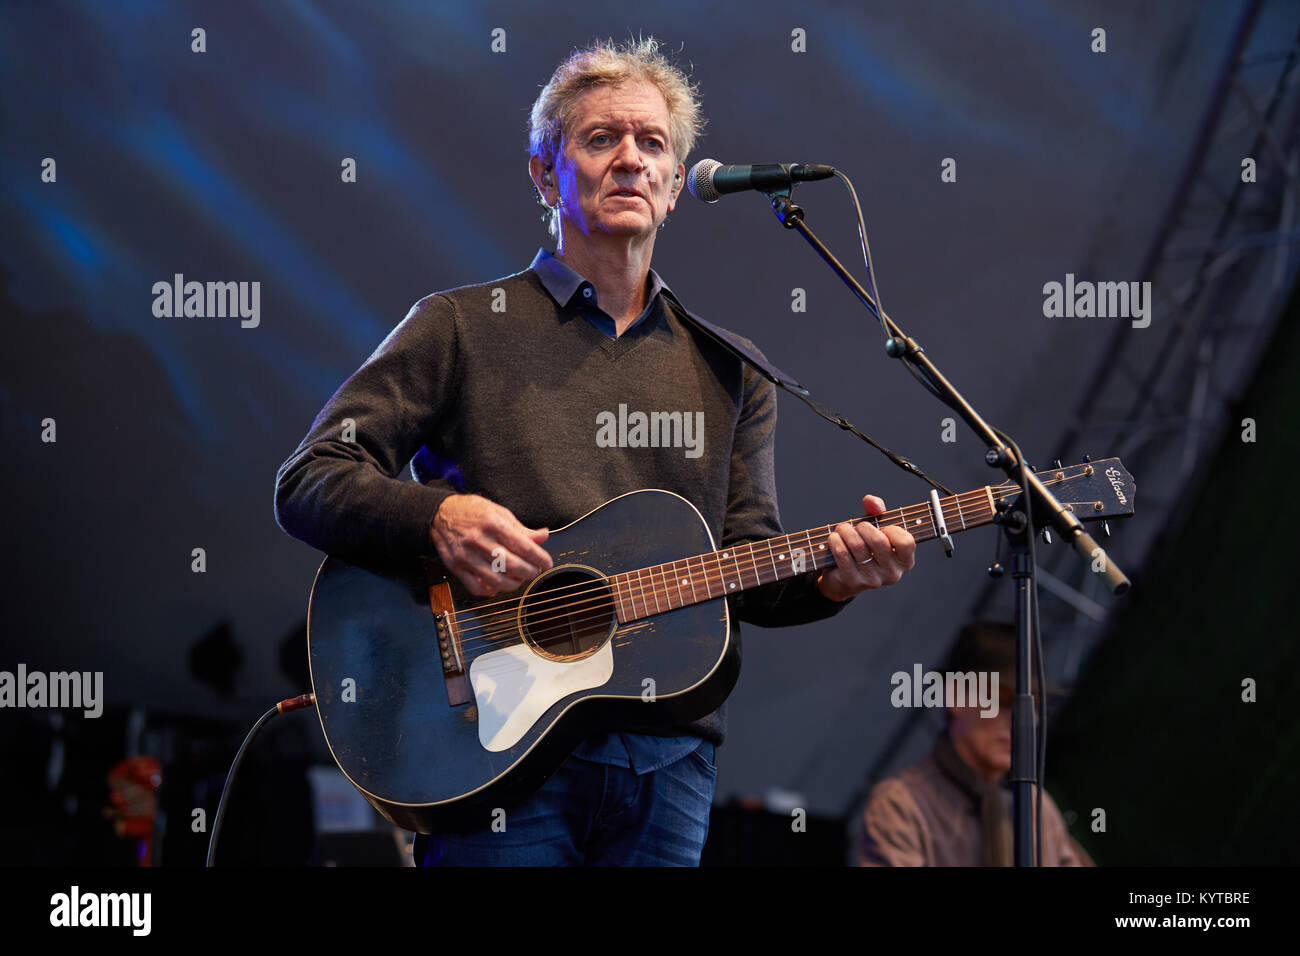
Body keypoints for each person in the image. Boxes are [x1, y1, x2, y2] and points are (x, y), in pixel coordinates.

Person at [275, 37, 917, 866]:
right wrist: (439, 516)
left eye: (652, 144)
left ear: (676, 186)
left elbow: (747, 565)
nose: (630, 161)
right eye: (601, 139)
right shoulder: (459, 325)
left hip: (671, 760)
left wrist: (834, 578)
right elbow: (308, 480)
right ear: (547, 174)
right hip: (489, 745)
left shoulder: (732, 365)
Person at [855, 621, 1093, 866]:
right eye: (1001, 701)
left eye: (1032, 707)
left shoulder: (1038, 808)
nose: (1019, 722)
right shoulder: (901, 805)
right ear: (955, 697)